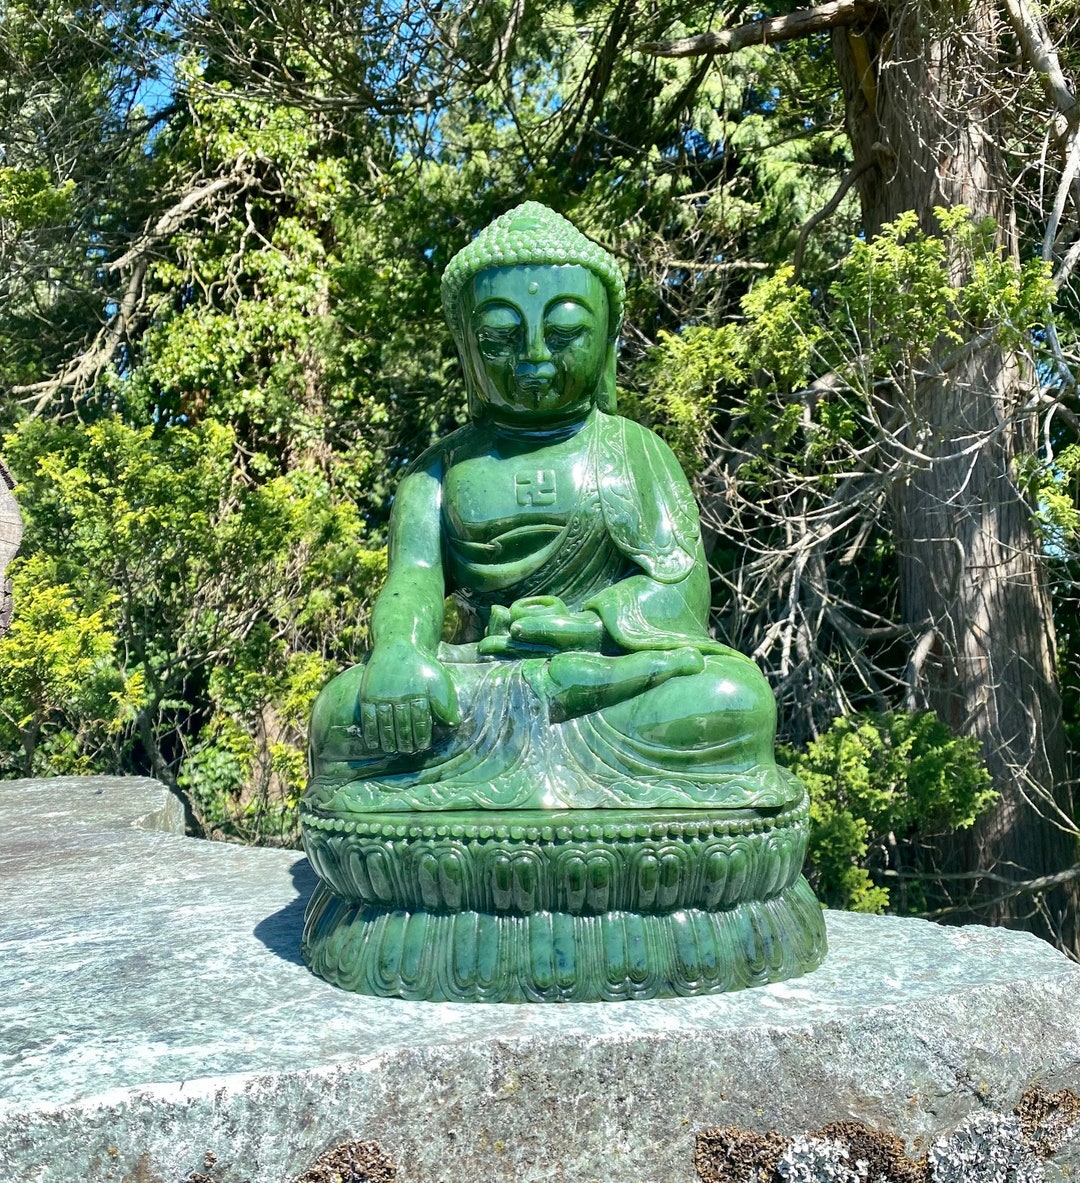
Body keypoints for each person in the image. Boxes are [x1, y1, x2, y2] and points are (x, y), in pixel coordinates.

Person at [304, 202, 794, 815]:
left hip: (606, 679)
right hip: (480, 677)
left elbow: (681, 590)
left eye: (563, 335)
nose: (534, 359)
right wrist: (401, 654)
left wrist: (586, 627)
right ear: (468, 349)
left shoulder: (633, 452)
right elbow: (416, 580)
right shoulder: (438, 471)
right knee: (340, 716)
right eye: (502, 339)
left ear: (607, 343)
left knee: (730, 699)